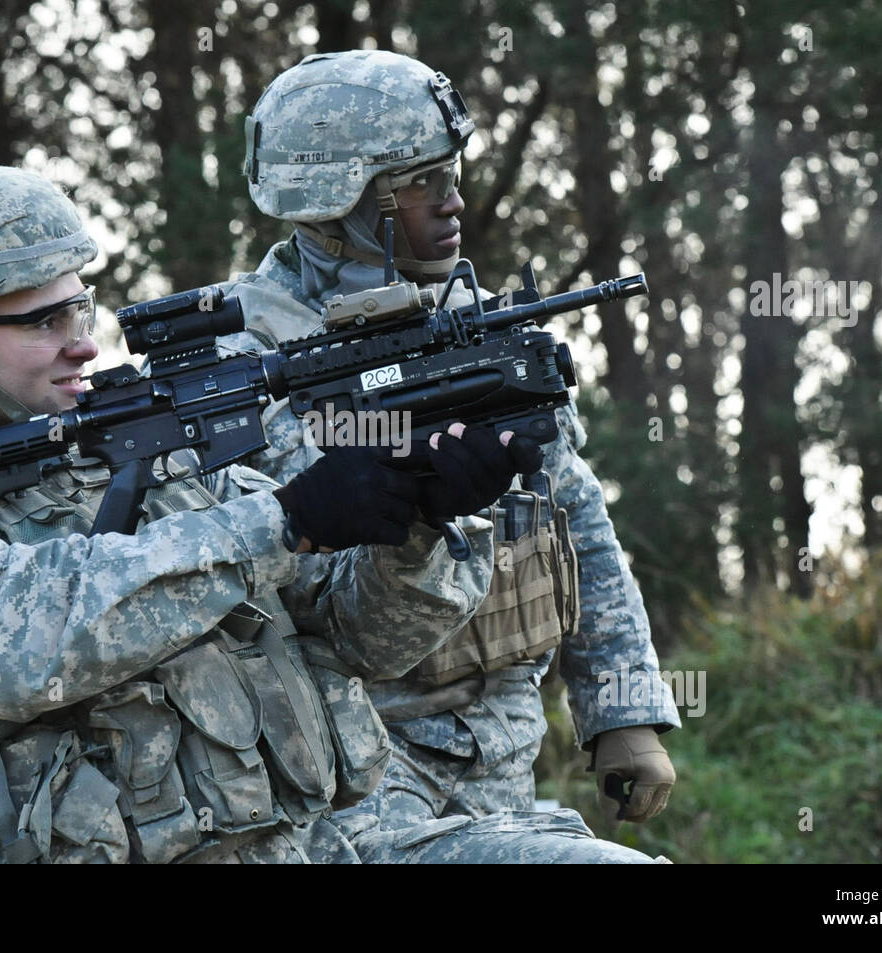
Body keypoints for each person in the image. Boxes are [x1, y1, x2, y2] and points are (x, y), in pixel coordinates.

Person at [0, 164, 538, 864]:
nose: (85, 344)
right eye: (45, 322)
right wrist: (287, 519)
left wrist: (414, 525)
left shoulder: (135, 462)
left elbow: (364, 640)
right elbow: (22, 647)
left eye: (82, 311)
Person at [222, 50, 681, 861]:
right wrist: (422, 520)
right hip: (349, 786)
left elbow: (573, 515)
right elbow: (326, 624)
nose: (456, 200)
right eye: (422, 183)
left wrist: (622, 707)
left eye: (453, 173)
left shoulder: (472, 326)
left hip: (500, 760)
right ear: (339, 203)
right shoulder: (245, 375)